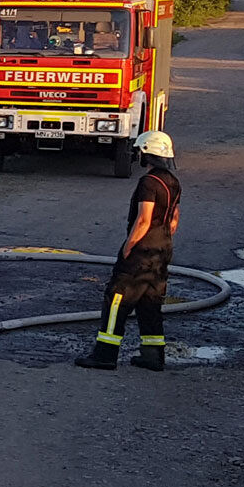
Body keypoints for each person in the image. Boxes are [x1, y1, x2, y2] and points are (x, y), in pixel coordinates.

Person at [76, 130, 182, 371]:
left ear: (147, 153)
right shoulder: (173, 182)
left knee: (116, 300)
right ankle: (153, 357)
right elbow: (174, 220)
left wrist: (128, 247)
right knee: (150, 303)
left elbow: (143, 220)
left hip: (142, 252)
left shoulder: (149, 183)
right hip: (162, 251)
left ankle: (105, 355)